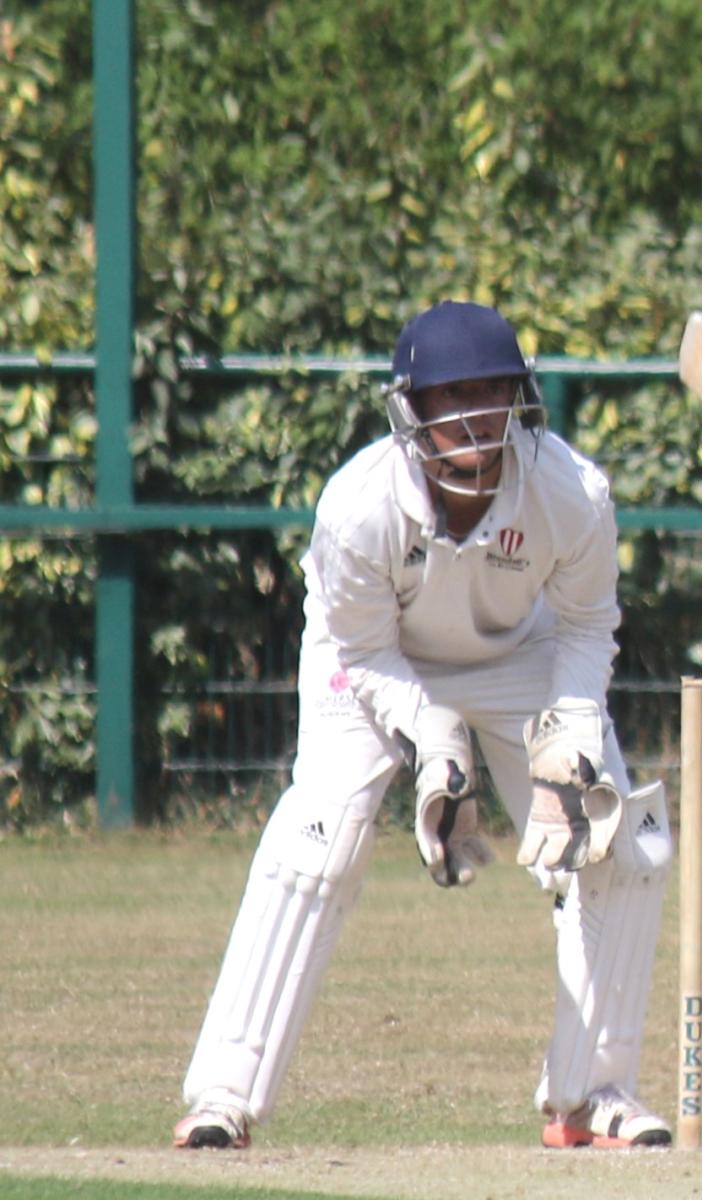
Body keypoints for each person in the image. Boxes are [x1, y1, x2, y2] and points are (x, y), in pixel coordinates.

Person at [173, 300, 674, 1152]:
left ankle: (591, 1095)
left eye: (492, 393)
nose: (476, 417)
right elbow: (363, 650)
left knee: (621, 843)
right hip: (379, 654)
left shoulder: (570, 491)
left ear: (520, 398)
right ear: (411, 409)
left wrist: (570, 739)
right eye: (452, 397)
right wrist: (433, 741)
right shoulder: (358, 507)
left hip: (519, 653)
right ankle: (224, 1095)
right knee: (321, 838)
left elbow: (589, 628)